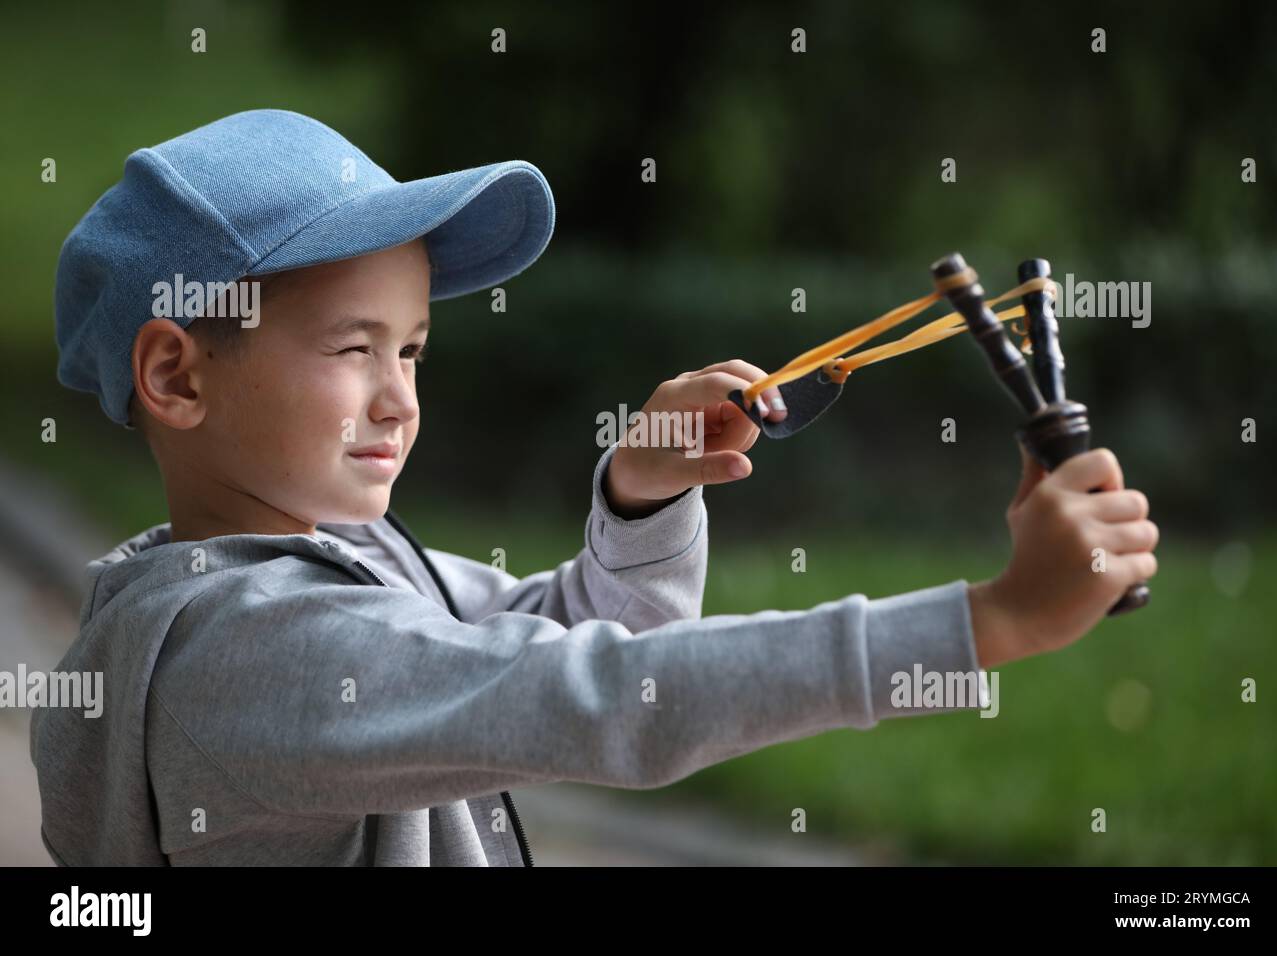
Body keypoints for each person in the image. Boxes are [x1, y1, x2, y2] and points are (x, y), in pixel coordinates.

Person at [31, 109, 1158, 866]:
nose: (397, 397)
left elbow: (573, 635)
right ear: (178, 373)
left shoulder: (321, 565)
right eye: (351, 349)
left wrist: (644, 490)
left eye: (413, 350)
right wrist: (990, 620)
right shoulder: (244, 650)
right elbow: (608, 694)